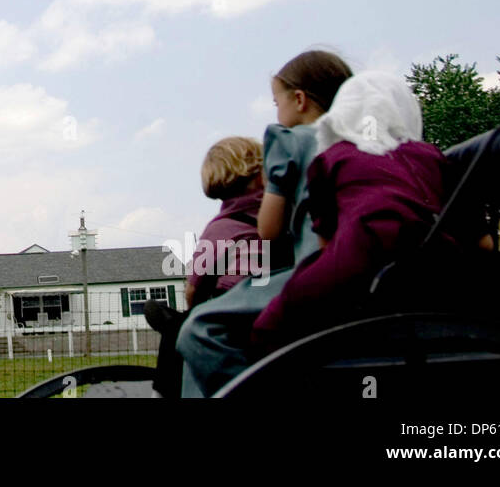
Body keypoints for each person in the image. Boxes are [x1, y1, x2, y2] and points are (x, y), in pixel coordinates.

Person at [174, 49, 354, 397]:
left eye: (276, 102)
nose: (276, 112)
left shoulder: (293, 142)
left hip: (307, 282)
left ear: (299, 100)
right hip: (365, 274)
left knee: (197, 332)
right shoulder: (375, 145)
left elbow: (266, 231)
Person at [250, 71, 449, 350]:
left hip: (358, 257)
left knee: (267, 329)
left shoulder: (328, 159)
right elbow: (483, 242)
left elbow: (326, 241)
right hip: (438, 267)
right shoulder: (432, 156)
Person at [144, 136, 266, 398]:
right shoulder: (278, 215)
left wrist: (193, 311)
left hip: (231, 306)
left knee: (178, 331)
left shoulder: (221, 227)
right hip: (269, 301)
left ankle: (162, 392)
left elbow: (193, 287)